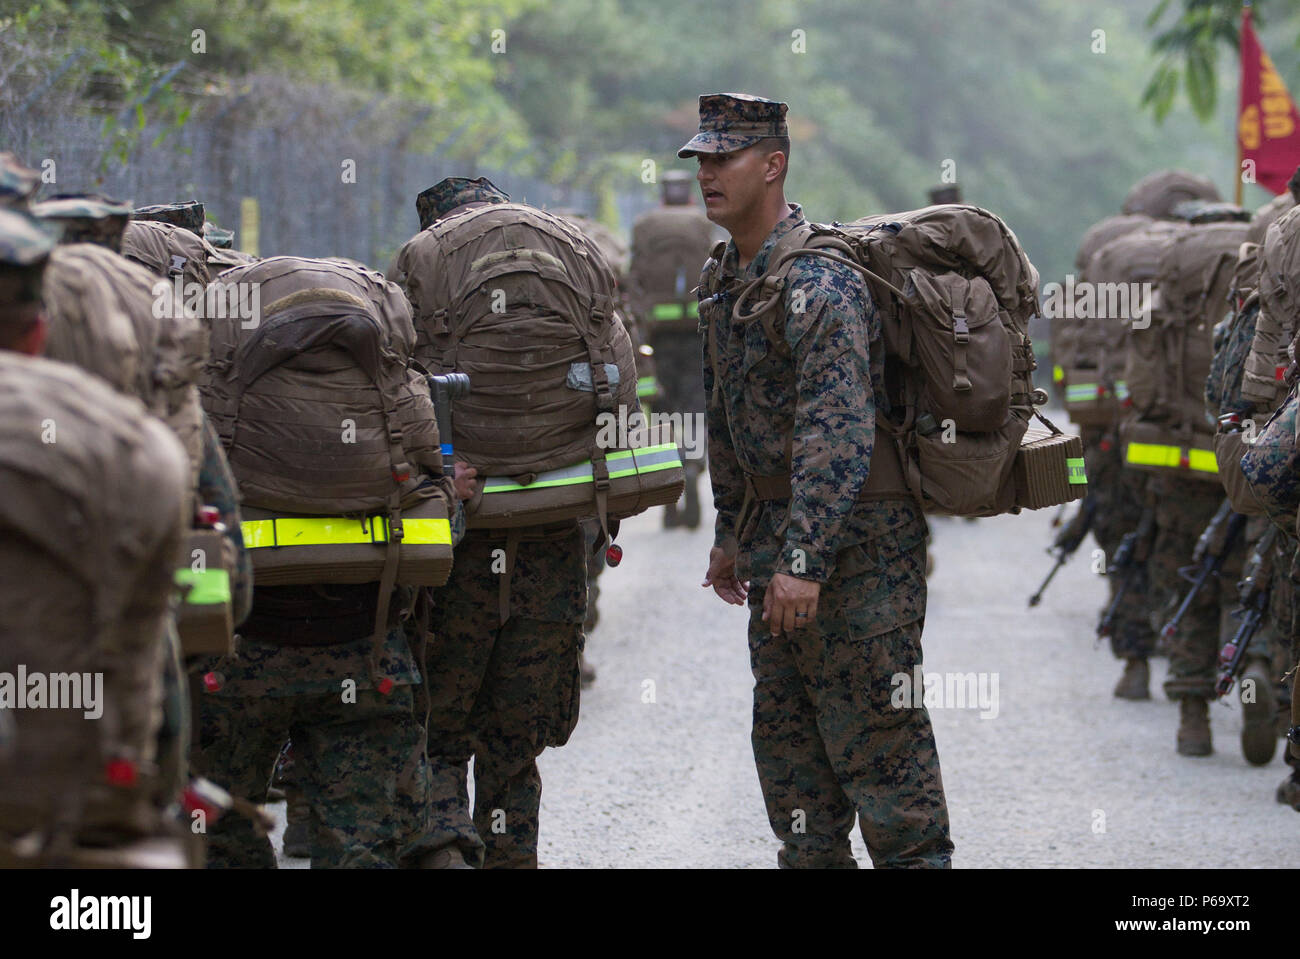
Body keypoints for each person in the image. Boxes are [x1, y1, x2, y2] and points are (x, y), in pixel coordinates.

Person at [687, 93, 953, 868]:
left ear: (773, 164)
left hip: (857, 550)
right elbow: (728, 420)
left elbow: (836, 433)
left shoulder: (818, 282)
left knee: (884, 755)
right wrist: (731, 536)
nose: (707, 172)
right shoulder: (728, 277)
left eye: (723, 157)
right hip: (776, 546)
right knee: (793, 760)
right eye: (701, 158)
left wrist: (804, 560)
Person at [629, 170, 717, 529]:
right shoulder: (702, 224)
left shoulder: (644, 225)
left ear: (663, 196)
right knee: (695, 403)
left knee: (663, 406)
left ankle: (669, 485)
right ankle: (694, 463)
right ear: (691, 197)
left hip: (658, 335)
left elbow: (633, 277)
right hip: (696, 330)